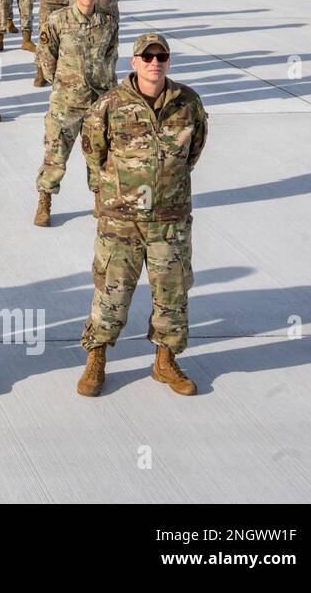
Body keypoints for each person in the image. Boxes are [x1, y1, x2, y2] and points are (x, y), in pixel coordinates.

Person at [78, 33, 208, 397]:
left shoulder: (188, 103)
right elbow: (93, 150)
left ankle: (165, 360)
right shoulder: (110, 104)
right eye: (147, 57)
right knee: (110, 292)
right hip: (121, 220)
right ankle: (97, 357)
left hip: (170, 220)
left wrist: (166, 185)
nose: (155, 62)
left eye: (161, 56)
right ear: (133, 62)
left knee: (173, 290)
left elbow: (193, 151)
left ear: (168, 60)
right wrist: (117, 192)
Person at [33, 0, 117, 227]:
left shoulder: (108, 21)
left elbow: (111, 55)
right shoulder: (58, 21)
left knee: (100, 153)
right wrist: (60, 82)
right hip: (66, 102)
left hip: (97, 101)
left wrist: (109, 90)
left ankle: (100, 198)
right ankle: (44, 200)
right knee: (56, 153)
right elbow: (46, 55)